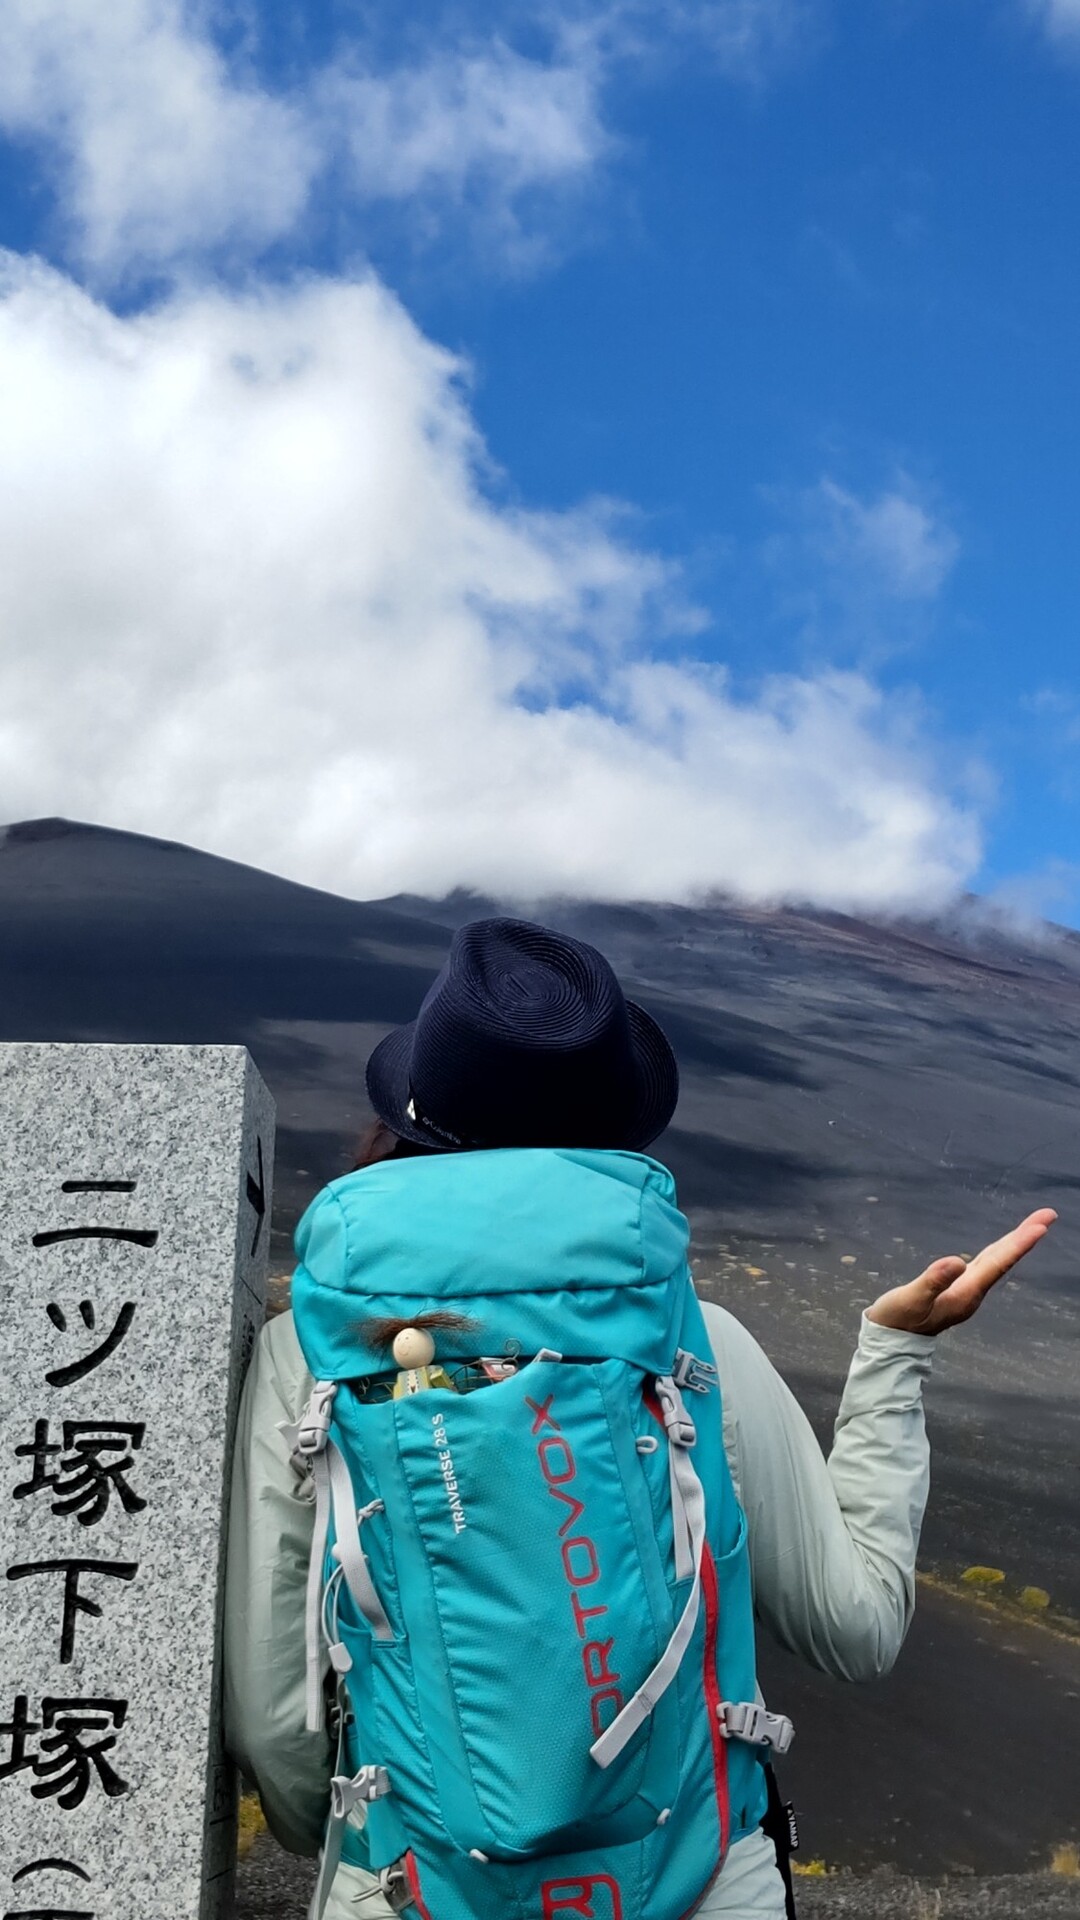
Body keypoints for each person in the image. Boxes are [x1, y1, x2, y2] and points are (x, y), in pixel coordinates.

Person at [224, 917, 1056, 1920]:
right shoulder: (701, 1346)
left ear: (408, 1122)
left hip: (406, 1886)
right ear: (612, 1138)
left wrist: (374, 1835)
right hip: (702, 1884)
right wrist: (892, 1352)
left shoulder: (308, 1353)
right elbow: (859, 1630)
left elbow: (277, 1714)